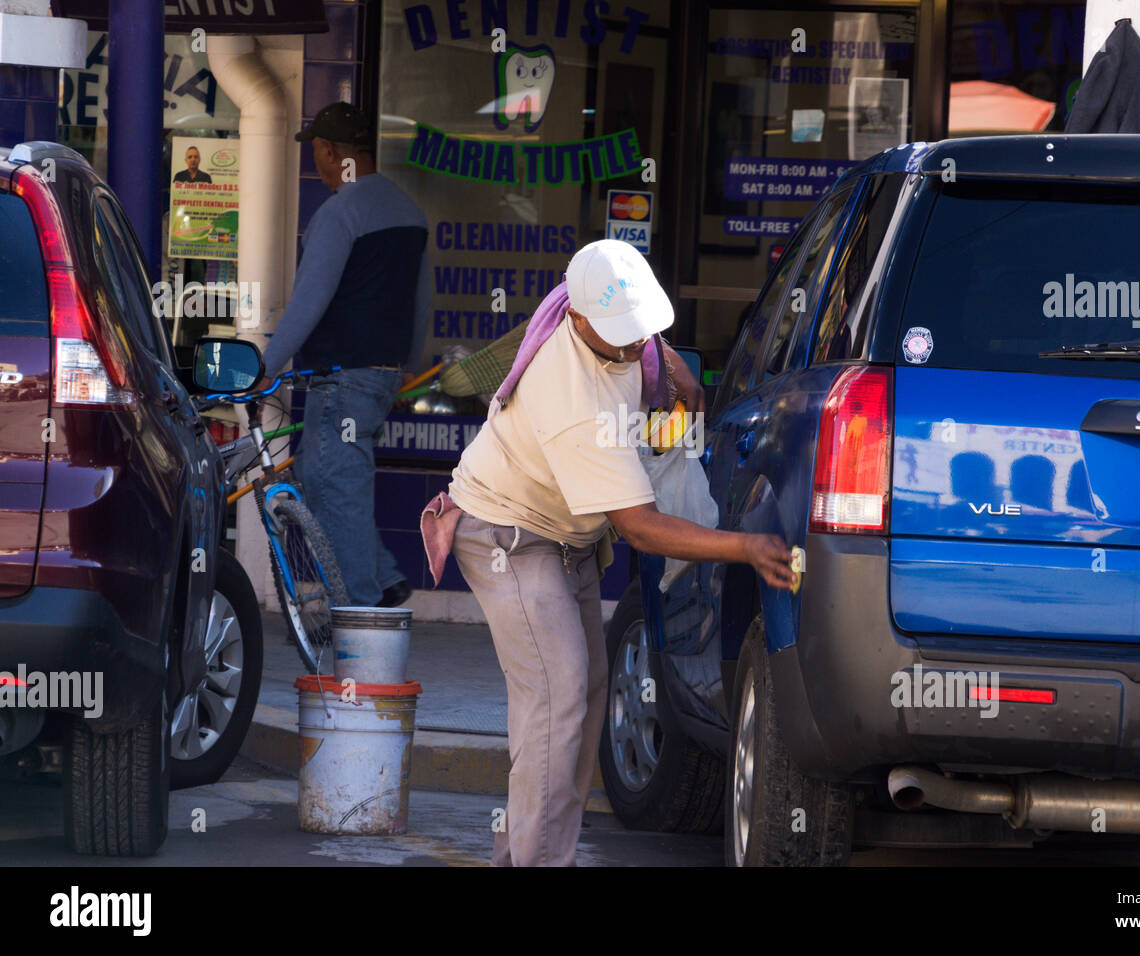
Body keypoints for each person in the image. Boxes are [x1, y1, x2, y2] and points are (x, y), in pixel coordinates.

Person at [436, 239, 796, 866]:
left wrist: (673, 362)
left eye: (643, 332)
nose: (636, 346)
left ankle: (522, 853)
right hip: (507, 535)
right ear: (578, 322)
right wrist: (744, 546)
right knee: (558, 696)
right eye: (623, 337)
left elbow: (649, 346)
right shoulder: (572, 396)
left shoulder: (609, 320)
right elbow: (639, 527)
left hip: (564, 539)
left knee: (582, 694)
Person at [256, 102, 431, 608]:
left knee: (335, 489)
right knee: (322, 475)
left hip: (342, 381)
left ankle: (363, 613)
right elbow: (423, 301)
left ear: (333, 152)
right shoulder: (410, 212)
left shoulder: (339, 214)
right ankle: (384, 577)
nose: (318, 165)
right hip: (380, 379)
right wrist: (406, 367)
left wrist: (261, 368)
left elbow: (308, 303)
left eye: (318, 153)